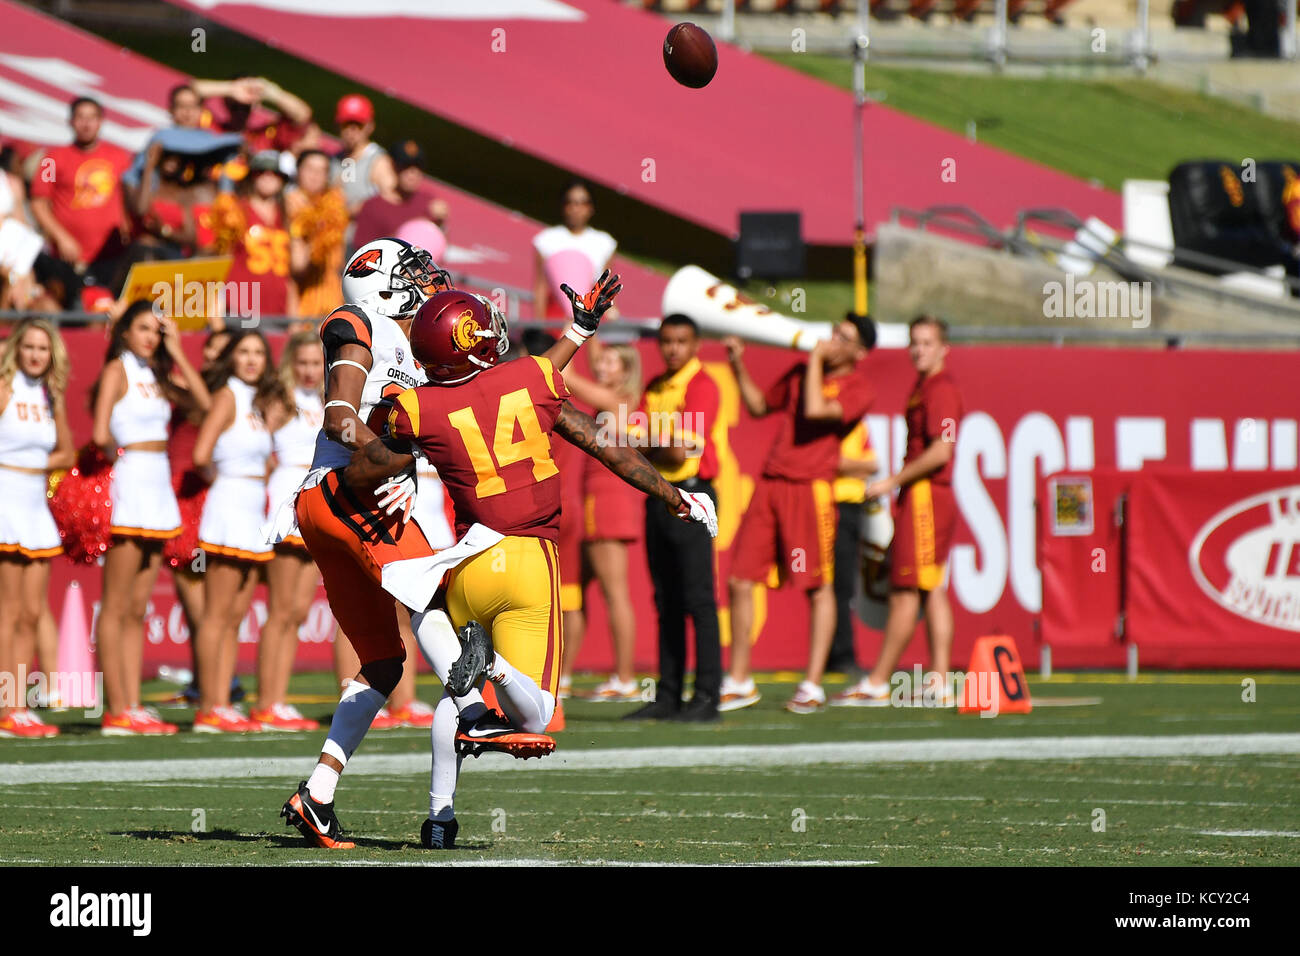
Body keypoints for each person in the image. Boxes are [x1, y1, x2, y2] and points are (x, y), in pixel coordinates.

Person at [339, 287, 718, 849]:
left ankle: (439, 818)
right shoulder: (530, 379)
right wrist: (674, 495)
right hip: (527, 558)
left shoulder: (417, 408)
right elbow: (605, 445)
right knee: (534, 717)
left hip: (469, 564)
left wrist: (377, 459)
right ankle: (489, 664)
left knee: (457, 697)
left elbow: (364, 463)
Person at [278, 251, 623, 850]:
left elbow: (507, 387)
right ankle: (473, 710)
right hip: (347, 493)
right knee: (431, 597)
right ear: (380, 290)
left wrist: (576, 334)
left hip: (330, 506)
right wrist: (391, 461)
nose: (423, 282)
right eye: (408, 275)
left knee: (385, 664)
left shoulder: (417, 354)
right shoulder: (359, 323)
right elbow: (339, 418)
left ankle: (318, 795)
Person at [723, 316, 877, 714]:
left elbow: (815, 408)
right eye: (834, 332)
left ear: (859, 353)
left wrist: (813, 360)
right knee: (741, 579)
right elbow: (759, 406)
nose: (832, 340)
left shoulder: (858, 388)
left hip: (810, 491)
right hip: (771, 484)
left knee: (817, 586)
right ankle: (739, 679)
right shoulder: (802, 371)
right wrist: (739, 363)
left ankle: (812, 684)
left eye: (844, 338)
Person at [91, 301, 210, 734]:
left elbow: (203, 405)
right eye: (142, 328)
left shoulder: (158, 376)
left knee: (137, 606)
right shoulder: (117, 370)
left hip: (156, 486)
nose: (150, 337)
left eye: (155, 331)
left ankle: (133, 705)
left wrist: (177, 351)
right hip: (131, 483)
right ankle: (117, 707)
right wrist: (120, 464)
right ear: (123, 332)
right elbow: (100, 433)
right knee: (117, 601)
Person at [834, 315, 964, 707]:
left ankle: (877, 680)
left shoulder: (940, 388)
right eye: (914, 342)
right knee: (931, 587)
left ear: (944, 348)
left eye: (927, 342)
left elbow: (942, 449)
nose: (918, 350)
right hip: (924, 495)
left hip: (926, 496)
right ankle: (940, 679)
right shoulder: (925, 386)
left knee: (906, 590)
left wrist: (893, 481)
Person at [622, 316, 725, 721]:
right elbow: (632, 439)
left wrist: (651, 442)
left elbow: (679, 451)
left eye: (681, 341)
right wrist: (656, 442)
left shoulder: (702, 384)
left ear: (696, 343)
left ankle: (706, 696)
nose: (673, 349)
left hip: (693, 495)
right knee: (665, 600)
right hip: (661, 495)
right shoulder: (657, 386)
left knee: (698, 598)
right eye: (667, 341)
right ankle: (668, 695)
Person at [191, 330, 286, 732]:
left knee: (235, 615)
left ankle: (223, 704)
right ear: (231, 358)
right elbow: (200, 454)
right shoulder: (228, 396)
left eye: (259, 353)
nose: (251, 360)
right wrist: (227, 479)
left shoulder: (260, 403)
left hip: (252, 511)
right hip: (229, 506)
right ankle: (209, 706)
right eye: (244, 352)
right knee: (217, 613)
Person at [0, 320, 74, 738]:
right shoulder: (5, 387)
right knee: (7, 614)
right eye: (27, 346)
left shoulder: (49, 395)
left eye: (42, 349)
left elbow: (65, 449)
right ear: (16, 349)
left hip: (34, 508)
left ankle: (18, 706)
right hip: (6, 503)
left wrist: (34, 465)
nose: (34, 355)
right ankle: (7, 706)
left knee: (30, 613)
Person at [559, 342, 644, 702]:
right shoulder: (608, 395)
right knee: (574, 594)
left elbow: (566, 375)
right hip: (594, 500)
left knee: (615, 593)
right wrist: (590, 324)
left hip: (610, 500)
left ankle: (624, 678)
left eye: (612, 362)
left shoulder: (620, 399)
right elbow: (589, 358)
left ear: (626, 370)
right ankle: (561, 677)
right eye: (603, 361)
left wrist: (572, 333)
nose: (603, 365)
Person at [254, 331, 325, 731]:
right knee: (280, 610)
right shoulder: (279, 401)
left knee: (297, 611)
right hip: (284, 503)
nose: (310, 371)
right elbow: (261, 451)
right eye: (303, 363)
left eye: (317, 363)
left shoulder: (324, 401)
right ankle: (268, 701)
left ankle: (278, 700)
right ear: (290, 364)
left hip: (312, 506)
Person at [28, 97, 132, 292]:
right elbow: (38, 203)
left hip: (110, 254)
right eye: (80, 118)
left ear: (100, 122)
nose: (86, 124)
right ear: (71, 121)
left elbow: (128, 199)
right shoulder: (51, 159)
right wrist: (61, 237)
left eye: (92, 118)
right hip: (67, 256)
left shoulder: (120, 157)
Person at [210, 150, 296, 321]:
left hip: (278, 310)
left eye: (274, 173)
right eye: (260, 172)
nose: (267, 177)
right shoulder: (235, 211)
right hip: (240, 309)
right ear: (251, 176)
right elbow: (221, 261)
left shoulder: (288, 215)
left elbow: (292, 273)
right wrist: (215, 312)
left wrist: (294, 317)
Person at [826, 420, 880, 674]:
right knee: (832, 585)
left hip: (850, 508)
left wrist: (843, 465)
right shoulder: (822, 423)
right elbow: (825, 462)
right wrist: (848, 466)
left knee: (844, 585)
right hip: (829, 506)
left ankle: (840, 652)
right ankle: (838, 654)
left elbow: (873, 465)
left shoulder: (857, 425)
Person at [532, 180, 617, 321]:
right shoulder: (546, 240)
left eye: (582, 203)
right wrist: (539, 325)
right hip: (557, 318)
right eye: (570, 202)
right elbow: (541, 286)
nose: (575, 208)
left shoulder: (604, 242)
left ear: (591, 207)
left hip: (593, 317)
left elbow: (605, 286)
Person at [351, 140, 448, 249]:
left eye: (418, 167)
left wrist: (440, 224)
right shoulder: (373, 207)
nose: (412, 174)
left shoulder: (429, 204)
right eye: (405, 166)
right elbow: (362, 254)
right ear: (393, 166)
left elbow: (437, 250)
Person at [287, 149, 348, 319]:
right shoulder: (290, 205)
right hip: (302, 303)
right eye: (310, 169)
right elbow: (297, 267)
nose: (315, 176)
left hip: (332, 300)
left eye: (322, 171)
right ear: (298, 171)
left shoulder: (335, 206)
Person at [333, 94, 397, 220]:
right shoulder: (336, 158)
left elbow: (392, 201)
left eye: (358, 125)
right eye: (346, 124)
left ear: (370, 126)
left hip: (363, 236)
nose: (352, 130)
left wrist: (360, 207)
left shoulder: (378, 161)